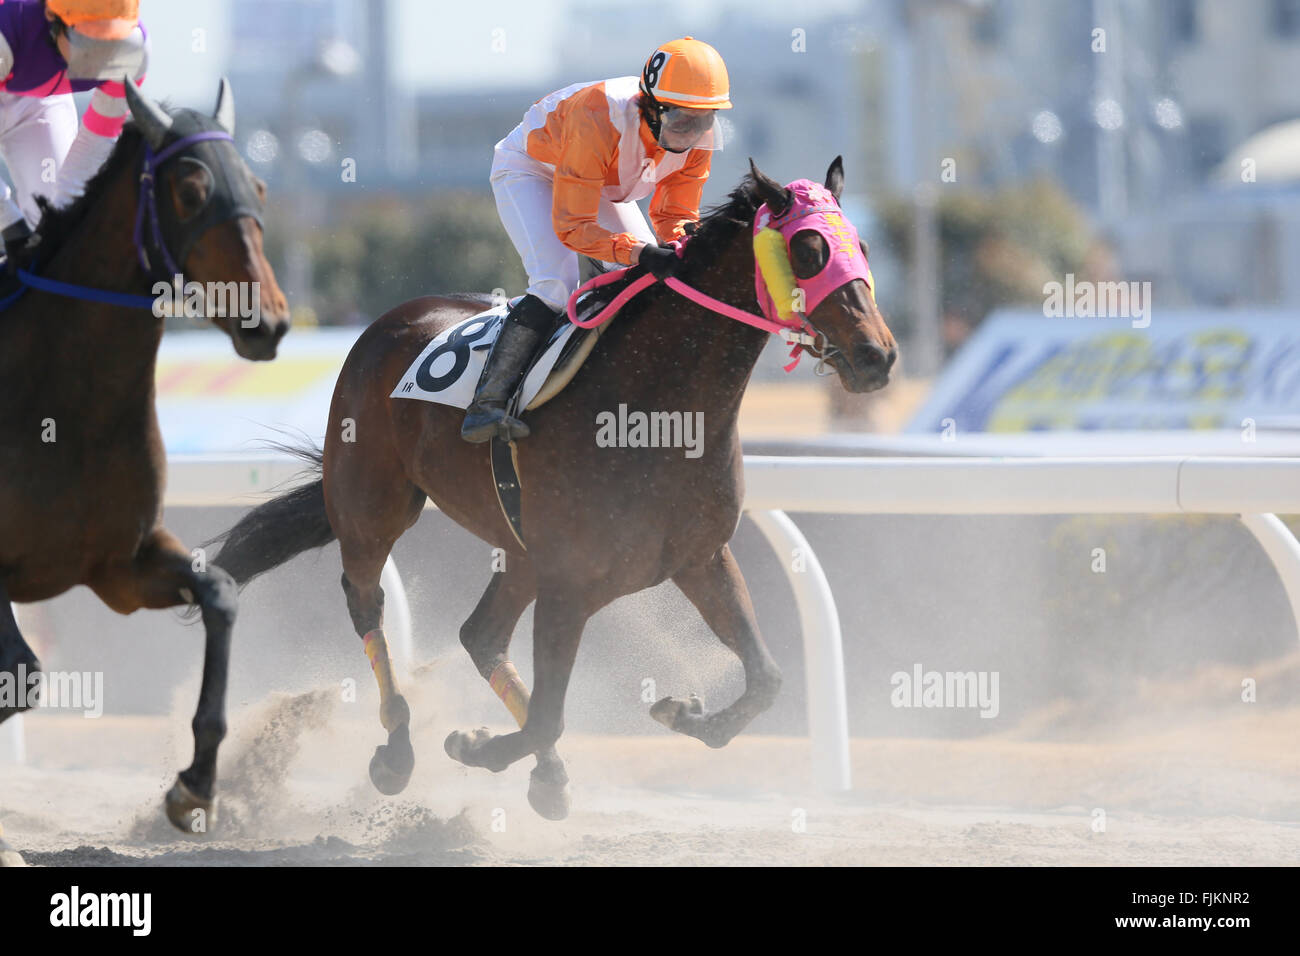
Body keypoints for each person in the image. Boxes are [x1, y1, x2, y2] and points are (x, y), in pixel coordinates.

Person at [462, 36, 730, 443]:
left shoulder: (697, 138)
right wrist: (638, 251)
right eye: (681, 121)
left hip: (598, 182)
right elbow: (573, 226)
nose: (692, 134)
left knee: (650, 281)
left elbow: (673, 217)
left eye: (703, 120)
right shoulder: (596, 116)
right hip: (532, 171)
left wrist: (682, 246)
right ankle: (487, 405)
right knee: (556, 283)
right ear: (652, 107)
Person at [0, 0, 148, 271]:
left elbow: (99, 139)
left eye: (110, 41)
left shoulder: (130, 53)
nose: (99, 59)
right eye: (88, 41)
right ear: (50, 15)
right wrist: (8, 220)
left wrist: (57, 224)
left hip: (36, 101)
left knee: (53, 223)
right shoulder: (6, 32)